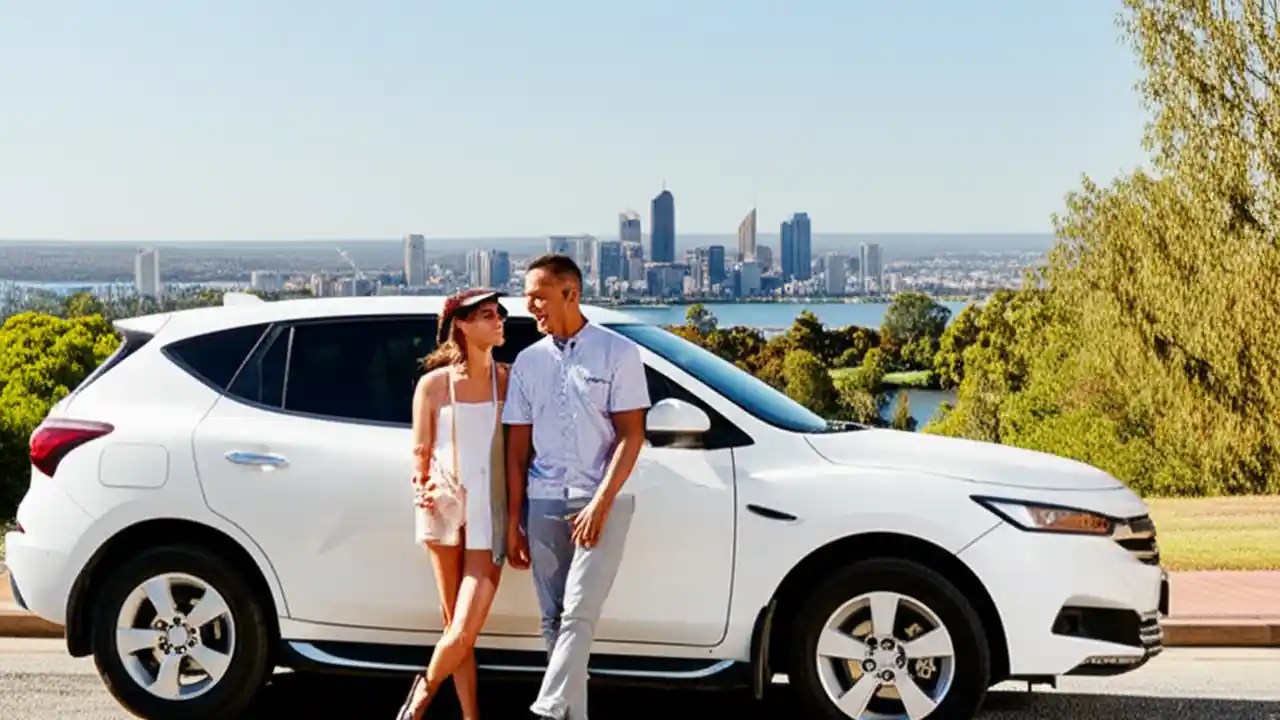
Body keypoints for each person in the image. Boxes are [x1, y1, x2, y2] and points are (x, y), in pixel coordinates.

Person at [502, 254, 651, 720]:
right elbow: (515, 451)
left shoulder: (618, 354)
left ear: (572, 293)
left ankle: (548, 709)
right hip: (543, 501)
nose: (533, 309)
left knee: (578, 613)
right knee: (553, 620)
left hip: (601, 501)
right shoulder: (527, 363)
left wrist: (601, 503)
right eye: (528, 300)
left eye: (540, 298)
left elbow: (632, 436)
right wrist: (513, 522)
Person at [397, 288, 512, 720]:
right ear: (460, 324)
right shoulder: (433, 385)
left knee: (462, 629)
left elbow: (521, 452)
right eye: (486, 315)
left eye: (499, 313)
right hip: (445, 511)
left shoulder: (510, 378)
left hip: (492, 515)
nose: (498, 320)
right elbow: (420, 450)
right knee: (455, 629)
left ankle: (420, 698)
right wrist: (421, 485)